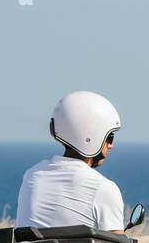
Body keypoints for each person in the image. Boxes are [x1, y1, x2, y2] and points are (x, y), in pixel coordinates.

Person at [15, 91, 125, 234]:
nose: (111, 145)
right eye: (110, 137)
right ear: (92, 134)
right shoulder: (103, 188)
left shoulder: (32, 176)